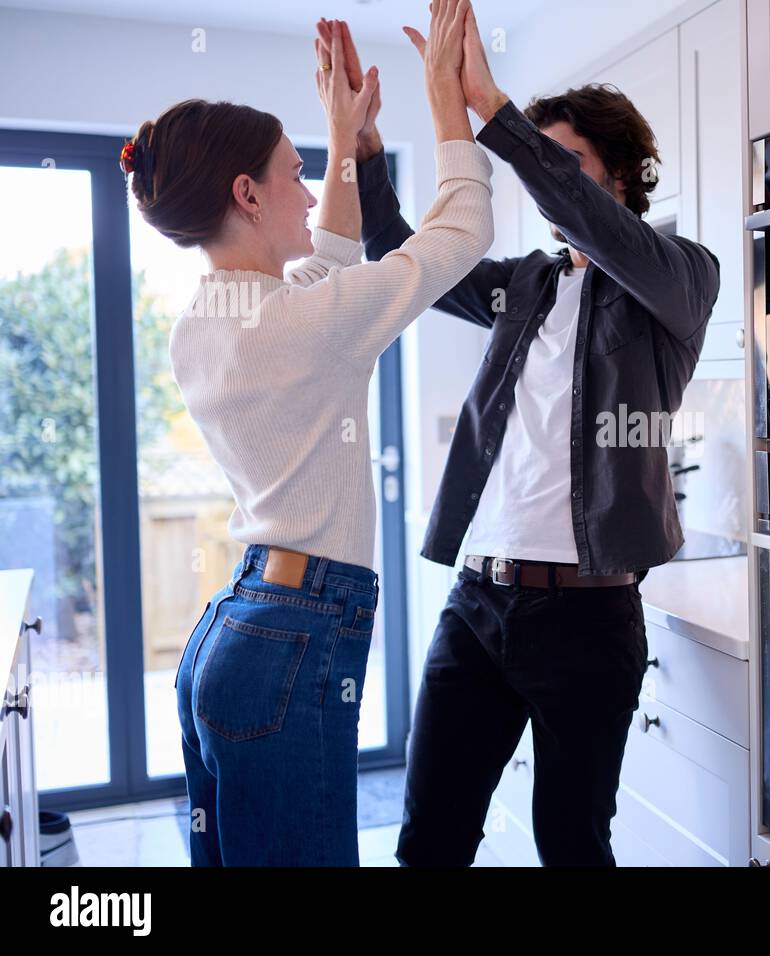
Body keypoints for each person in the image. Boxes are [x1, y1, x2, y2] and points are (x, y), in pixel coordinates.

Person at [331, 2, 720, 865]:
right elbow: (405, 257)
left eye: (569, 164)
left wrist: (491, 112)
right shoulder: (526, 284)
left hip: (588, 619)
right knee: (429, 841)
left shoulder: (680, 278)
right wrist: (360, 150)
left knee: (572, 849)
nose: (548, 185)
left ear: (620, 174)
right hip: (476, 605)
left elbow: (598, 227)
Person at [124, 3, 492, 865]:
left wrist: (337, 134)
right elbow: (464, 231)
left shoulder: (206, 322)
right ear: (246, 195)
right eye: (294, 173)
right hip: (295, 634)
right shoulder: (302, 323)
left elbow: (324, 258)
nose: (307, 187)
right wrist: (446, 97)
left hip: (240, 627)